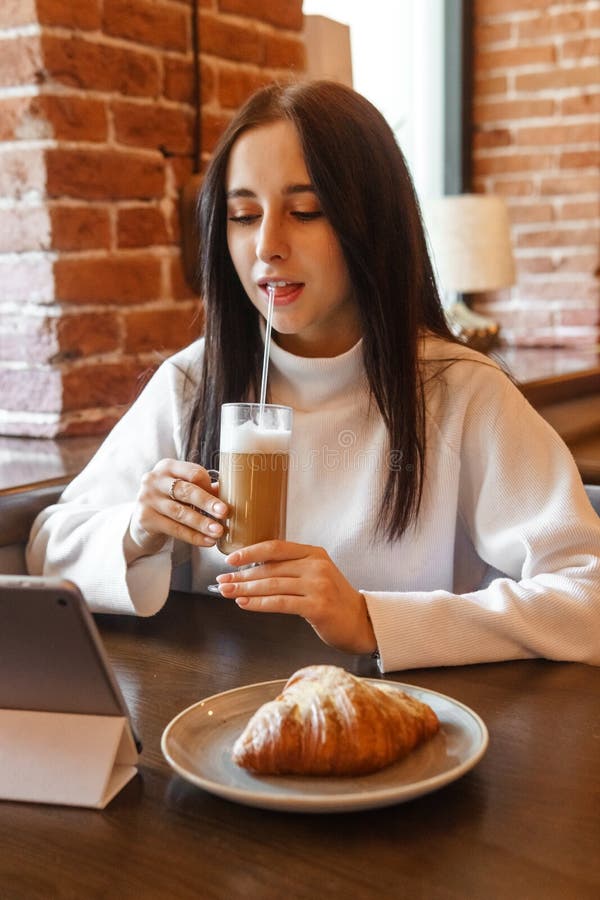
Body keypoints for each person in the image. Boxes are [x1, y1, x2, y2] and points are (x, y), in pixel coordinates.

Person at [27, 80, 600, 671]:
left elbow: (588, 595)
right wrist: (137, 531)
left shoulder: (461, 393)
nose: (267, 246)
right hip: (217, 725)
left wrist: (372, 618)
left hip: (411, 729)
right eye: (244, 215)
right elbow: (49, 548)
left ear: (370, 224)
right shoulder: (194, 384)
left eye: (305, 212)